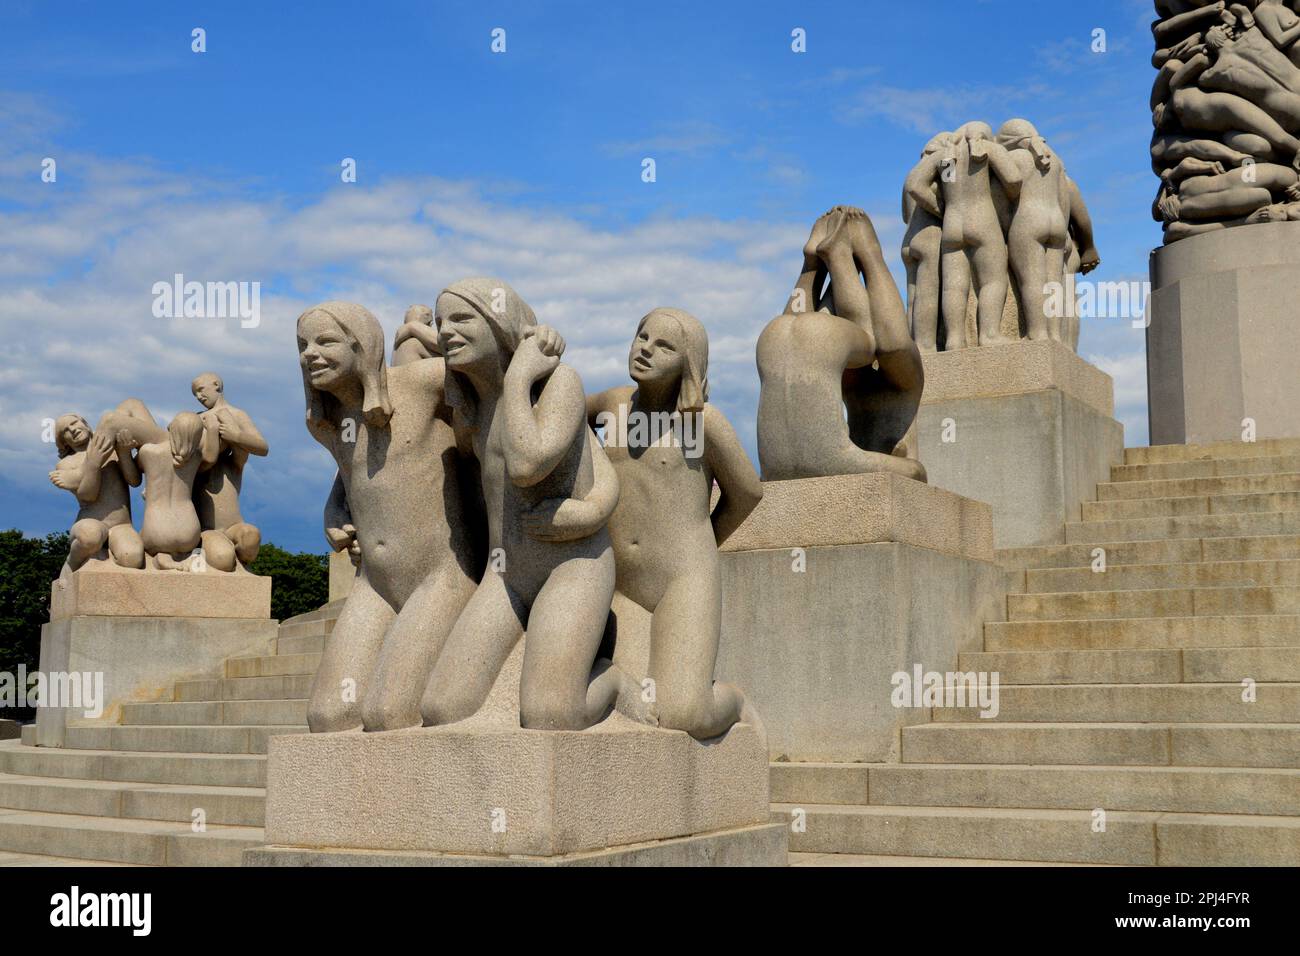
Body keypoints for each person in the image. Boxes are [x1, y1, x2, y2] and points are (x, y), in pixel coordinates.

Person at [420, 278, 624, 732]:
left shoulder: (558, 385)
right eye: (439, 322)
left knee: (551, 713)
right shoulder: (473, 411)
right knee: (441, 708)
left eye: (461, 318)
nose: (445, 332)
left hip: (572, 565)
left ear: (501, 323)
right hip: (506, 573)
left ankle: (612, 680)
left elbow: (527, 464)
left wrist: (517, 377)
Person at [586, 307, 762, 740]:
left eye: (664, 345)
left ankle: (734, 700)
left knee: (684, 713)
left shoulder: (702, 422)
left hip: (683, 580)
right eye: (641, 336)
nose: (645, 349)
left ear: (689, 363)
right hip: (621, 583)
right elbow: (567, 413)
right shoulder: (611, 405)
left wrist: (701, 545)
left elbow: (747, 493)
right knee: (639, 711)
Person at [191, 372, 267, 565]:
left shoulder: (236, 414)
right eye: (195, 395)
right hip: (205, 526)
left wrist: (235, 435)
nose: (199, 397)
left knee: (251, 536)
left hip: (234, 523)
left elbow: (262, 447)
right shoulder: (196, 420)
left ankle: (239, 566)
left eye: (200, 390)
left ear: (216, 385)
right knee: (221, 557)